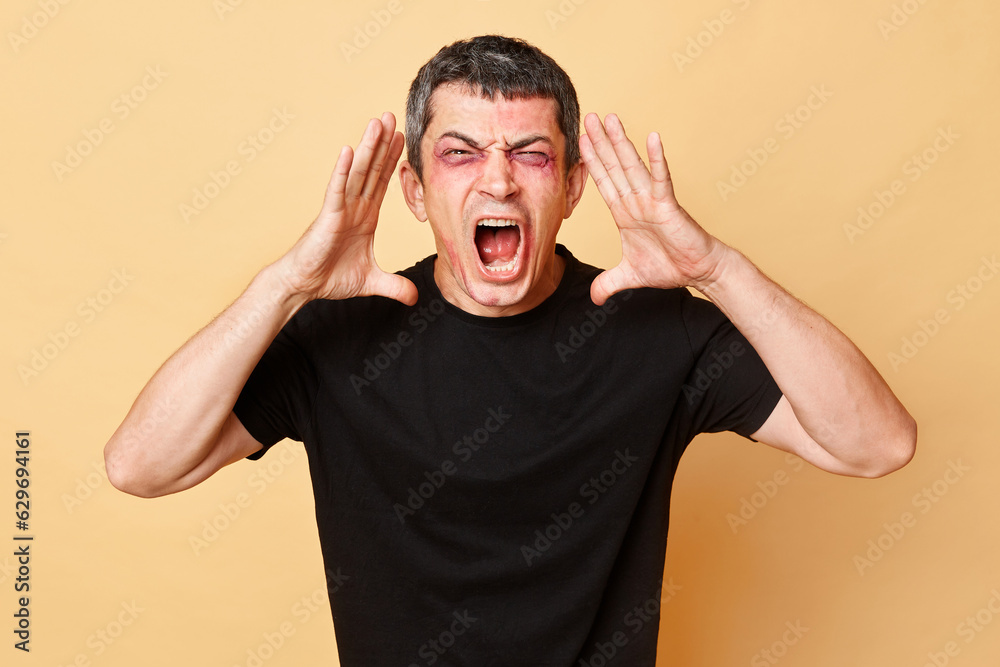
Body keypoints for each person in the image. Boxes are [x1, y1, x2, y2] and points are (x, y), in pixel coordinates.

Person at [105, 35, 916, 666]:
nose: (497, 182)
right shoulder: (342, 337)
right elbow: (141, 464)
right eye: (460, 153)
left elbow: (877, 443)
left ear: (570, 186)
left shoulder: (653, 329)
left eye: (529, 152)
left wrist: (715, 268)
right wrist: (286, 283)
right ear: (416, 192)